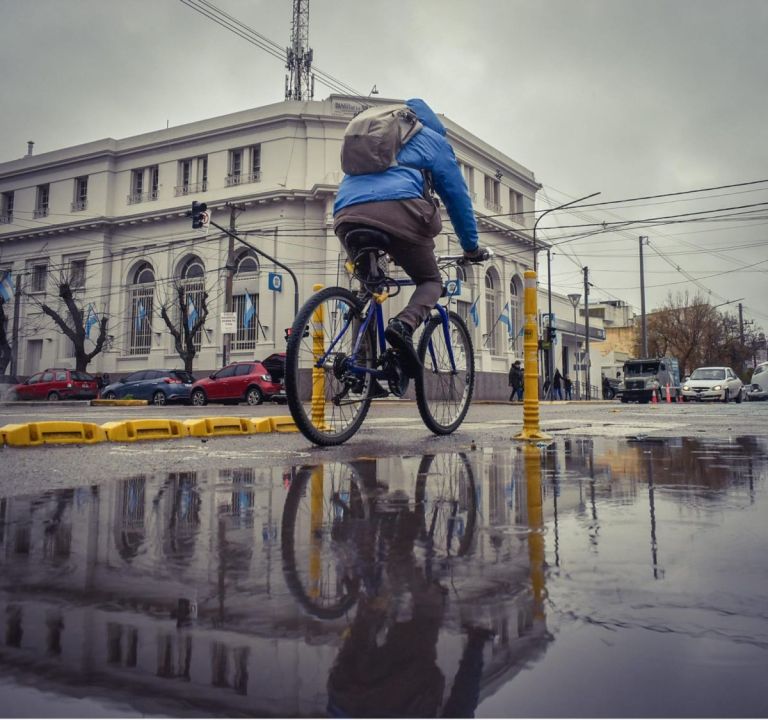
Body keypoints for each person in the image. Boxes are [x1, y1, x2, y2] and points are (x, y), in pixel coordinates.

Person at [334, 98, 487, 377]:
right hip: (400, 212)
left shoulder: (372, 138)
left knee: (369, 289)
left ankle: (359, 371)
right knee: (430, 280)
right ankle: (403, 325)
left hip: (345, 214)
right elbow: (457, 198)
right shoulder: (433, 141)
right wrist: (471, 247)